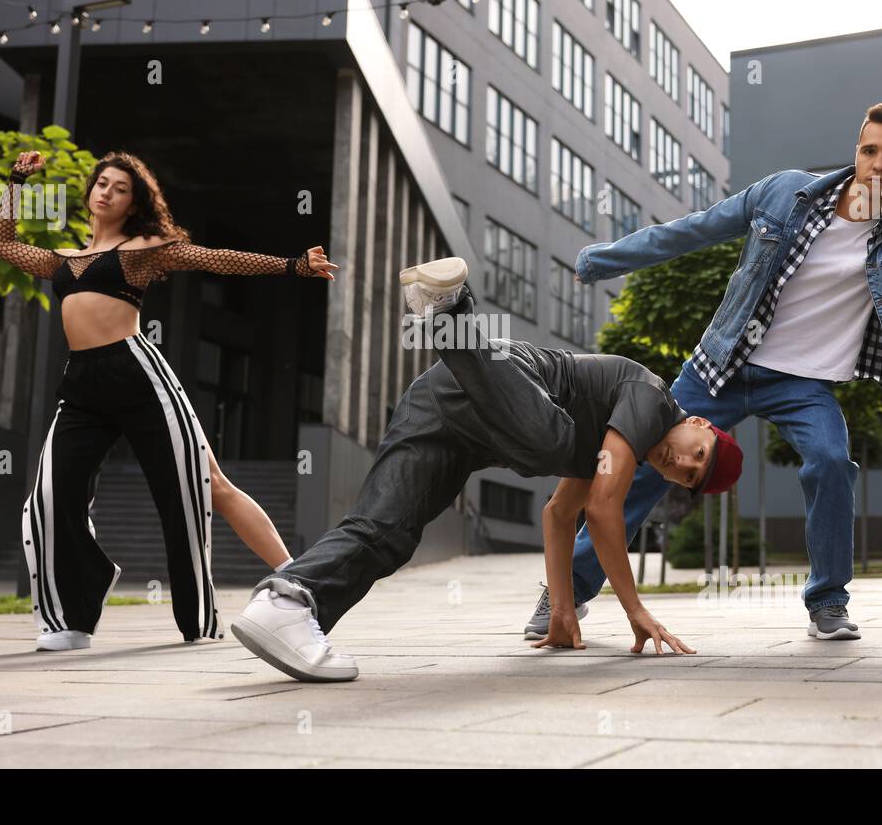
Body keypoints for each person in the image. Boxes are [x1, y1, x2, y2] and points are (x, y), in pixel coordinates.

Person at [522, 94, 882, 642]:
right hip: (723, 366)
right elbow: (693, 229)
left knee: (830, 461)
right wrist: (601, 259)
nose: (876, 165)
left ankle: (827, 602)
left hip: (802, 384)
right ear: (856, 150)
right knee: (645, 471)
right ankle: (567, 595)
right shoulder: (784, 194)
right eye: (868, 150)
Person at [229, 256, 744, 682]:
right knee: (553, 443)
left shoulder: (617, 442)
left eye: (688, 477)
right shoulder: (651, 400)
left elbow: (560, 515)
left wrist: (563, 610)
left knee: (387, 531)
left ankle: (289, 603)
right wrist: (636, 611)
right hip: (491, 379)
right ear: (697, 422)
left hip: (444, 407)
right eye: (696, 453)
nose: (680, 464)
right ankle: (452, 311)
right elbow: (603, 511)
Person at [0, 150, 337, 650]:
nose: (105, 192)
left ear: (134, 204)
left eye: (120, 188)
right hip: (82, 387)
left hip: (138, 376)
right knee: (47, 498)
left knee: (207, 486)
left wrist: (292, 265)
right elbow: (3, 244)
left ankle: (297, 579)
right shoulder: (62, 260)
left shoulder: (142, 249)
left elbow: (215, 257)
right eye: (101, 183)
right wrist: (16, 181)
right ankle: (71, 616)